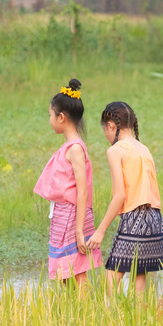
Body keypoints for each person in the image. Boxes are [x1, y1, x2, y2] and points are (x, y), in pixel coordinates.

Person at [87, 101, 163, 294]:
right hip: (155, 220)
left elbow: (120, 195)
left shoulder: (116, 150)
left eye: (105, 130)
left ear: (111, 126)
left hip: (135, 217)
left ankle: (113, 320)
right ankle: (139, 319)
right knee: (140, 275)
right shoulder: (143, 148)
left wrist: (100, 231)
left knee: (111, 278)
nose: (106, 135)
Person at [33, 79, 102, 285]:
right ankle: (75, 315)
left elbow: (82, 192)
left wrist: (79, 231)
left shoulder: (75, 149)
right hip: (63, 215)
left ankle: (86, 315)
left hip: (73, 217)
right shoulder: (69, 147)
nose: (50, 119)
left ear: (61, 117)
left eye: (50, 115)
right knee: (65, 273)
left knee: (77, 272)